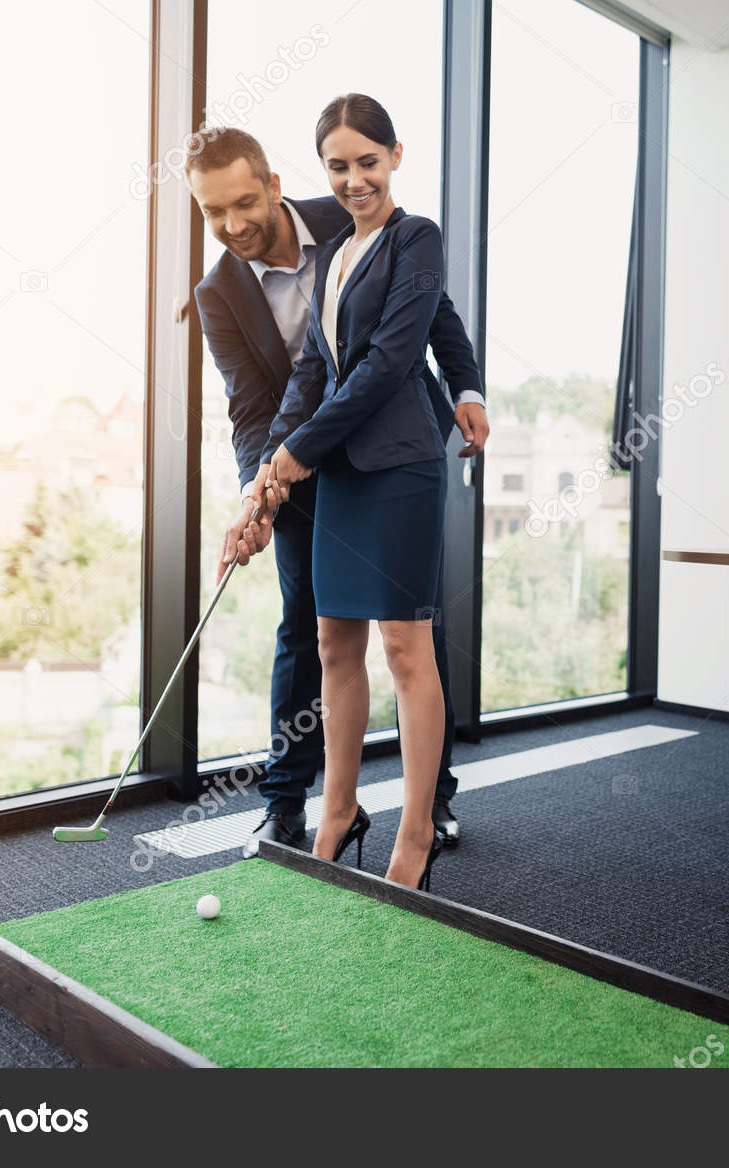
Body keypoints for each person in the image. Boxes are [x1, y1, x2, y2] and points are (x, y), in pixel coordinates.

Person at [187, 125, 488, 862]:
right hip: (297, 460)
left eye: (244, 202)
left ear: (275, 186)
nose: (233, 225)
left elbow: (428, 313)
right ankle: (289, 806)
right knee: (309, 631)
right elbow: (252, 408)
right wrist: (258, 495)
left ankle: (431, 800)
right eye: (213, 213)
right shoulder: (216, 293)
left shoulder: (347, 215)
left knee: (410, 628)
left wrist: (465, 384)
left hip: (388, 448)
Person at [252, 93, 474, 890]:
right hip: (342, 472)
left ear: (395, 156)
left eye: (367, 162)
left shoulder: (418, 239)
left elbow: (389, 360)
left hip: (403, 466)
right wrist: (272, 462)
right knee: (333, 644)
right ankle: (338, 812)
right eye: (338, 167)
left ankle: (415, 835)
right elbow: (314, 370)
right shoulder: (337, 256)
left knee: (405, 649)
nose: (354, 180)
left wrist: (299, 453)